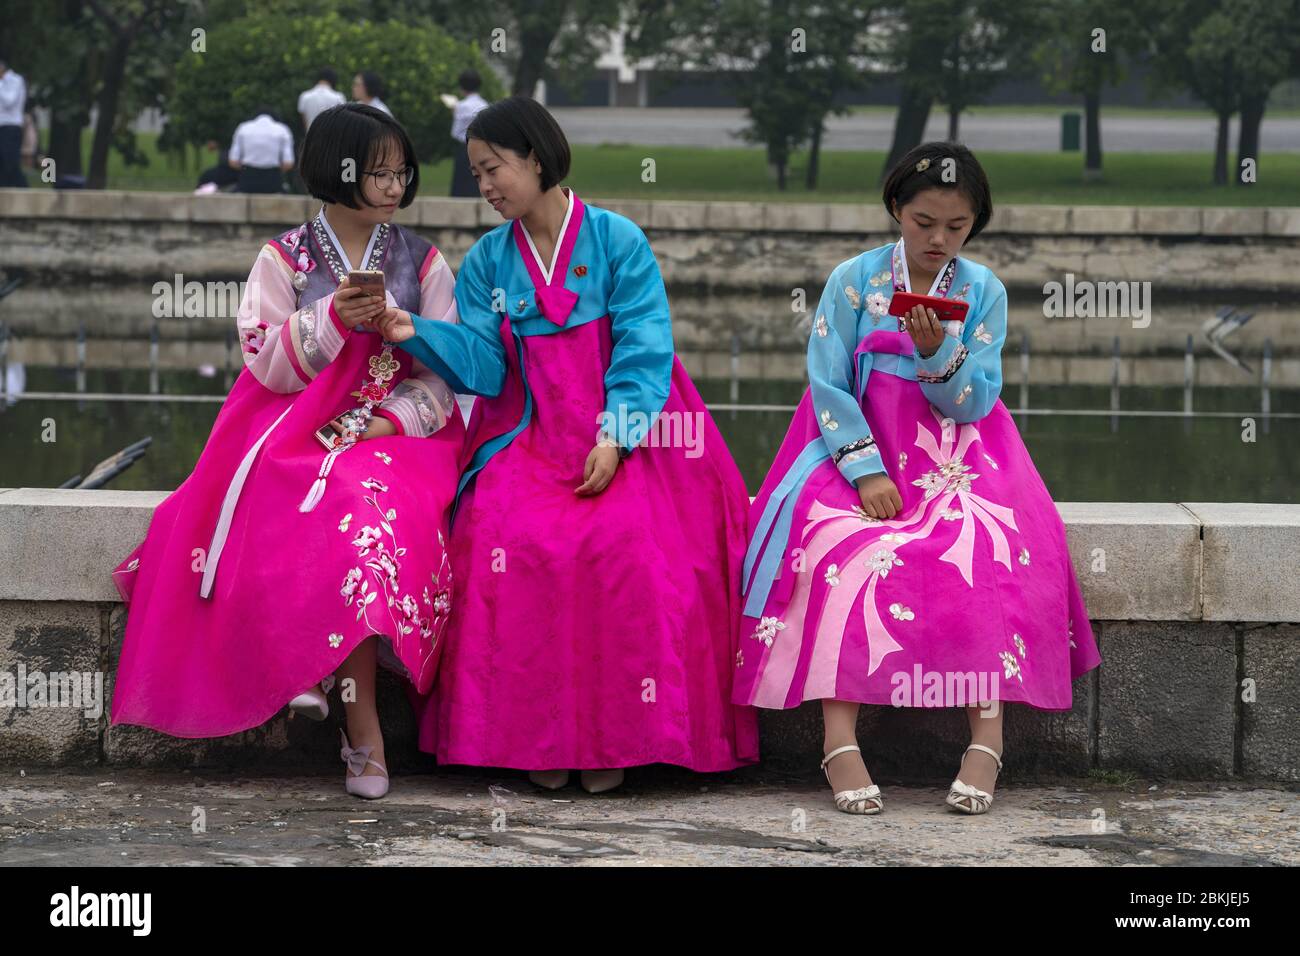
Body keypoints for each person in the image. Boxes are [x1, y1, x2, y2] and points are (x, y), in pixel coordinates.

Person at [376, 96, 759, 793]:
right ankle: (538, 738)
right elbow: (489, 368)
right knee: (505, 542)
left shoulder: (617, 240)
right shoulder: (491, 259)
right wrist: (414, 332)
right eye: (476, 173)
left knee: (625, 549)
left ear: (537, 158)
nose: (484, 186)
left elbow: (644, 349)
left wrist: (616, 439)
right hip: (528, 436)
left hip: (634, 433)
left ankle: (613, 739)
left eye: (493, 169)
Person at [110, 104, 468, 800]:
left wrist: (390, 415)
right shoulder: (283, 259)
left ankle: (353, 718)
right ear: (336, 173)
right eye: (378, 172)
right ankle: (354, 726)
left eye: (402, 172)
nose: (395, 185)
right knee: (289, 488)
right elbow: (265, 364)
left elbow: (445, 375)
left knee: (359, 511)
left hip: (395, 435)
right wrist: (332, 316)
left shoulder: (423, 261)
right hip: (288, 420)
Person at [736, 142, 1101, 816]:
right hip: (856, 446)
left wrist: (937, 353)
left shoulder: (983, 290)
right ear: (896, 210)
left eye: (956, 227)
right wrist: (866, 470)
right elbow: (827, 384)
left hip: (958, 449)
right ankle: (838, 737)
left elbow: (975, 402)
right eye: (923, 221)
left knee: (984, 548)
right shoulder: (853, 281)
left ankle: (986, 736)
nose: (937, 238)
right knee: (836, 549)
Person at [228, 106, 294, 193]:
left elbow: (233, 162)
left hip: (247, 180)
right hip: (273, 181)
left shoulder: (243, 128)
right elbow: (288, 164)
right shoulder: (283, 129)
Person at [448, 69, 488, 197]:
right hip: (482, 148)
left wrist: (454, 113)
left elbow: (455, 132)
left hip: (465, 149)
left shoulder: (461, 106)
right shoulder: (485, 105)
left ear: (462, 86)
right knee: (476, 183)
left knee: (461, 187)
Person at [0, 49, 28, 188]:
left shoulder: (15, 80)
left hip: (10, 127)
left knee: (10, 161)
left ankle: (24, 190)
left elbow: (9, 101)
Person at [298, 67, 347, 131]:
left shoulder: (305, 96)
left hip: (311, 137)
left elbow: (305, 121)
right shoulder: (339, 97)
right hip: (332, 138)